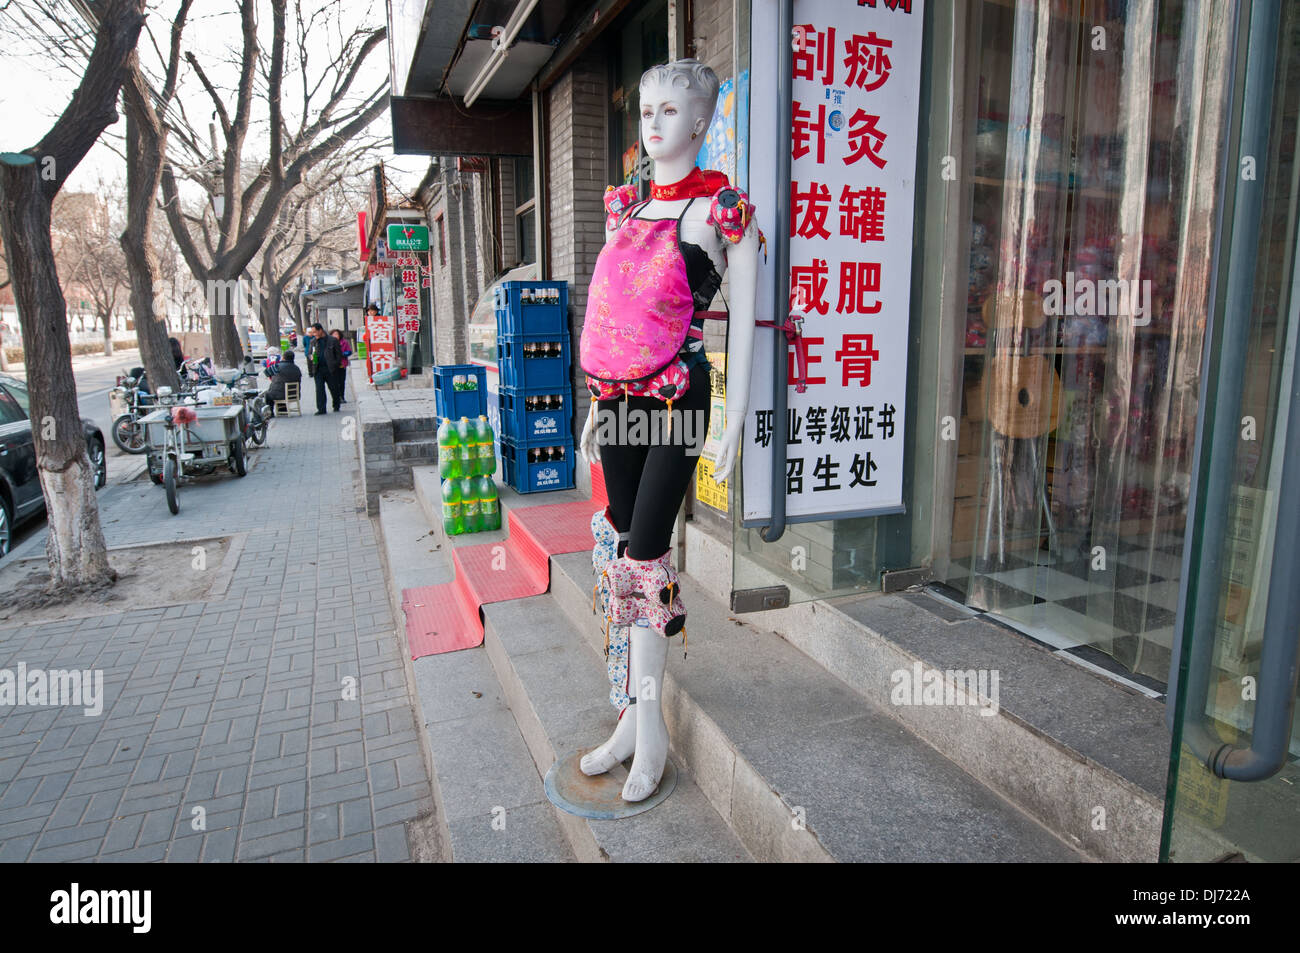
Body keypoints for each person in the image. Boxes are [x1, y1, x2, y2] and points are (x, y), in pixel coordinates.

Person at [577, 59, 761, 804]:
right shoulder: (627, 208)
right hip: (616, 398)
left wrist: (737, 417)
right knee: (627, 553)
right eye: (646, 108)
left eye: (670, 110)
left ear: (701, 122)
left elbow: (744, 324)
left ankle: (649, 728)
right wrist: (596, 404)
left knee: (648, 552)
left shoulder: (722, 213)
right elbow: (614, 312)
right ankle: (632, 716)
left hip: (681, 397)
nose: (653, 123)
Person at [306, 323, 343, 414]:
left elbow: (338, 355)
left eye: (315, 332)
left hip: (330, 368)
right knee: (319, 389)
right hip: (318, 369)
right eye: (312, 332)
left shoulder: (332, 340)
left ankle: (336, 404)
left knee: (334, 388)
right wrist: (310, 357)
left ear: (320, 330)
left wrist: (335, 364)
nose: (314, 334)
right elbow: (309, 353)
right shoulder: (313, 341)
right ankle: (321, 409)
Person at [262, 350, 302, 415]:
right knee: (279, 389)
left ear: (283, 357)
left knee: (268, 394)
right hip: (294, 394)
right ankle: (282, 409)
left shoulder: (277, 366)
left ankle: (271, 413)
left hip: (280, 395)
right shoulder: (297, 368)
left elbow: (266, 373)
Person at [330, 329, 352, 407]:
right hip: (333, 365)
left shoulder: (344, 342)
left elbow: (349, 351)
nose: (335, 336)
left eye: (337, 334)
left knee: (341, 381)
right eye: (334, 334)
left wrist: (342, 354)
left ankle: (342, 396)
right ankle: (336, 397)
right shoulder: (329, 343)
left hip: (342, 364)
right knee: (334, 382)